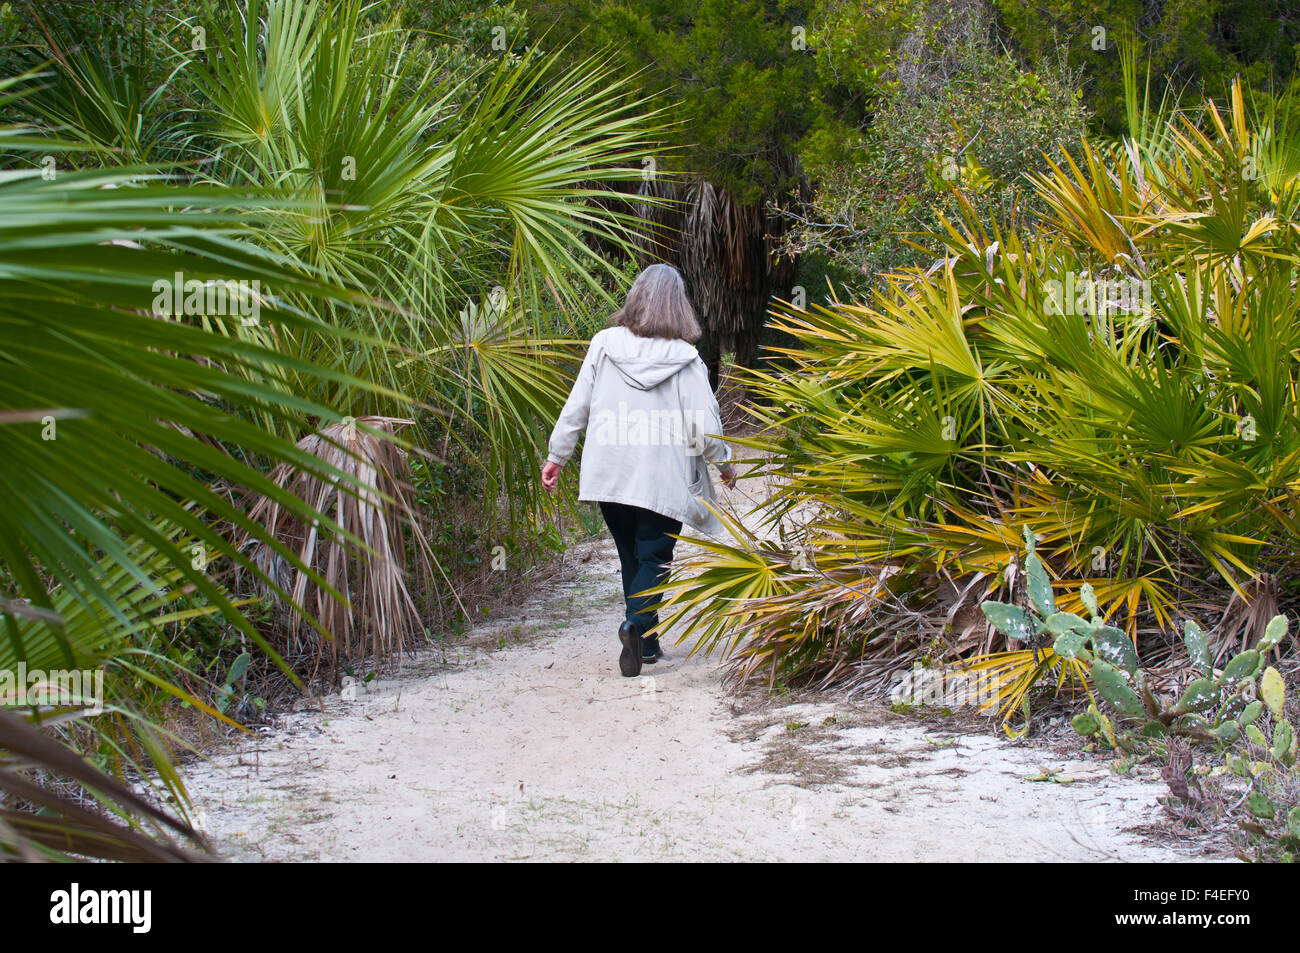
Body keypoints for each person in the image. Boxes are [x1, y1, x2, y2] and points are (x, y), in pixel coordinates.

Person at [541, 263, 736, 677]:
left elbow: (578, 404)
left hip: (609, 473)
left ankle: (646, 645)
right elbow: (704, 425)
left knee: (632, 555)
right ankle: (636, 626)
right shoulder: (686, 358)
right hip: (660, 478)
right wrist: (724, 463)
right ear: (678, 306)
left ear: (636, 297)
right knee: (656, 559)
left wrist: (557, 455)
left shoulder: (603, 343)